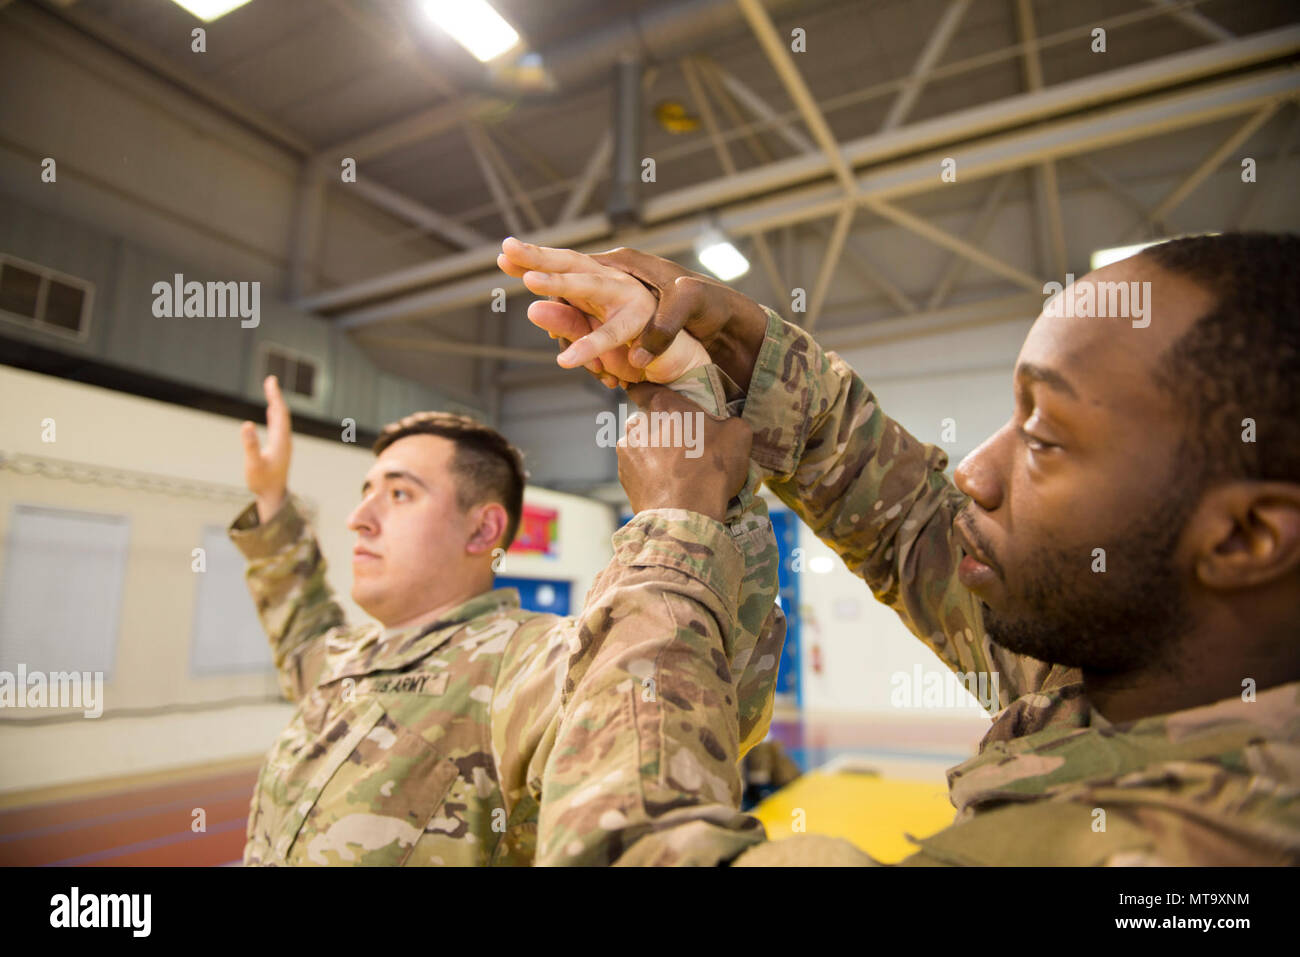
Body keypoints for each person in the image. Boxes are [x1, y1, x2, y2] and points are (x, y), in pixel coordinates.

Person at [499, 231, 1300, 865]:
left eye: (1046, 437)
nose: (979, 471)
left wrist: (674, 532)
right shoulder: (1140, 668)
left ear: (1245, 536)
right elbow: (914, 523)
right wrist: (742, 353)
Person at [229, 321, 783, 863]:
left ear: (483, 530)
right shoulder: (347, 658)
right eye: (366, 492)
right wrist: (273, 502)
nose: (358, 519)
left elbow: (698, 682)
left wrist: (704, 487)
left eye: (398, 494)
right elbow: (302, 630)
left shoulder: (525, 666)